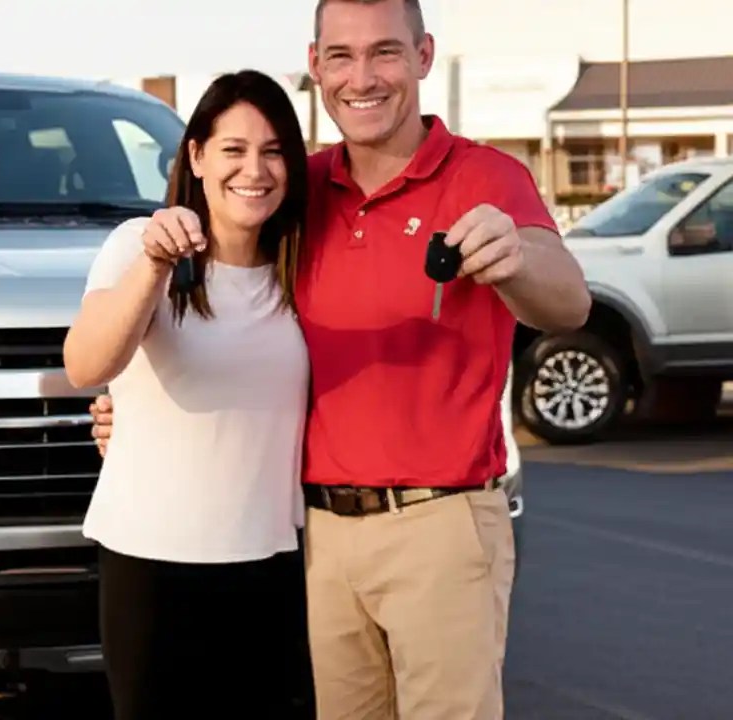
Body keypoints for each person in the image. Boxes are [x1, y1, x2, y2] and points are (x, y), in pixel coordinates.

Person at [87, 1, 593, 718]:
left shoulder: (487, 178)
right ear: (316, 65)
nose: (364, 77)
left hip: (439, 525)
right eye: (342, 56)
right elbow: (231, 327)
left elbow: (567, 301)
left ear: (423, 55)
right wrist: (139, 413)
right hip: (317, 536)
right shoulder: (298, 190)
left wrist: (514, 258)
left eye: (385, 52)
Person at [63, 69, 312, 720]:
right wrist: (154, 265)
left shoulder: (302, 268)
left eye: (274, 150)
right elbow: (87, 364)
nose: (254, 170)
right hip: (152, 564)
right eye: (233, 149)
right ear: (196, 156)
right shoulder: (135, 248)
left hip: (273, 565)